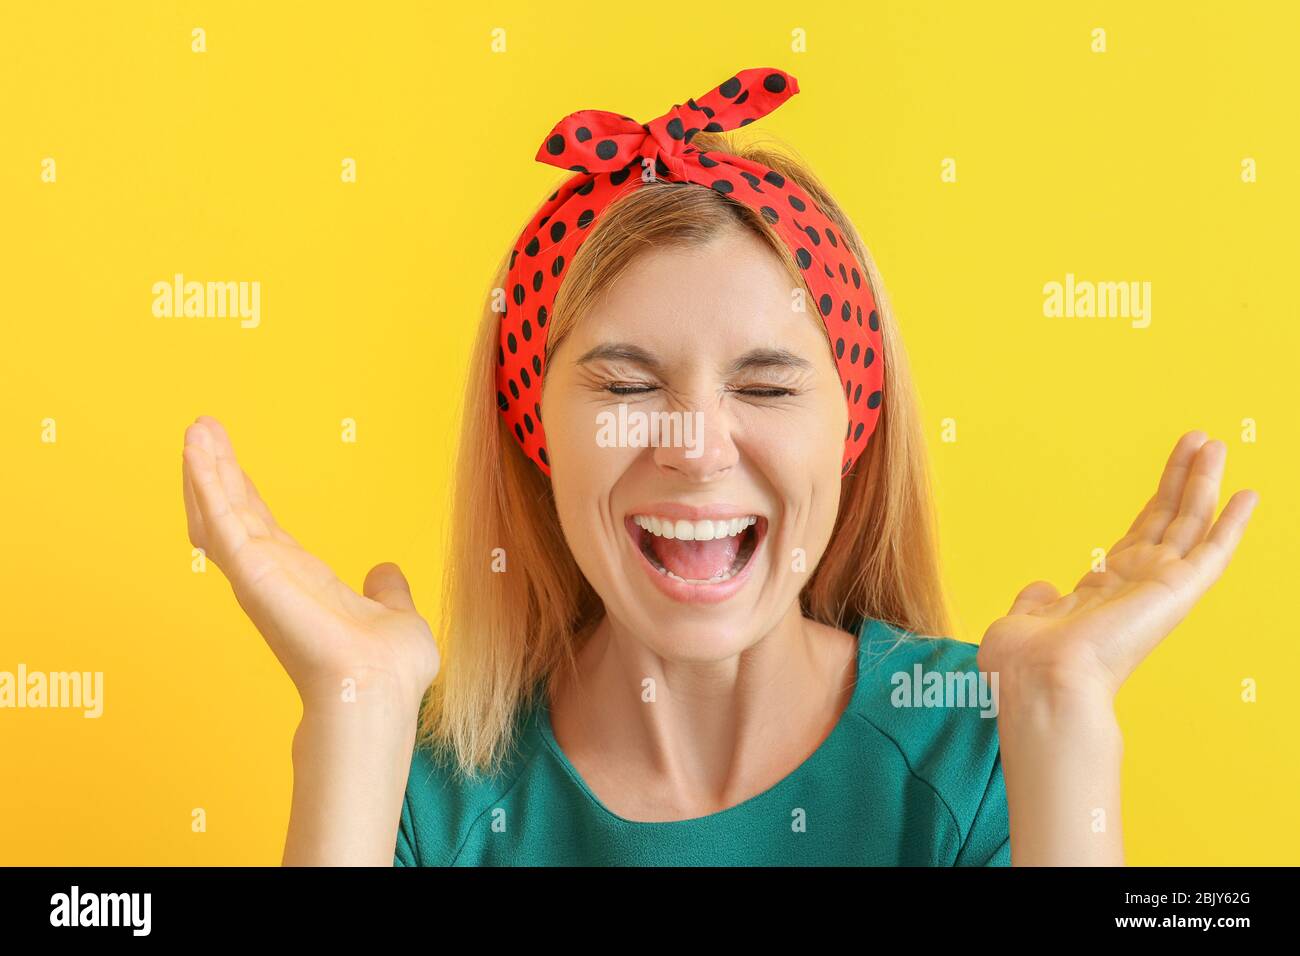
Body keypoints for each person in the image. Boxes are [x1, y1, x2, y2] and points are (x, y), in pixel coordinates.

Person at [179, 69, 1258, 866]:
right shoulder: (425, 791)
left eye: (768, 385)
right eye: (626, 385)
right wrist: (351, 719)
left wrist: (1064, 718)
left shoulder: (982, 748)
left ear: (853, 426)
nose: (694, 445)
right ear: (532, 425)